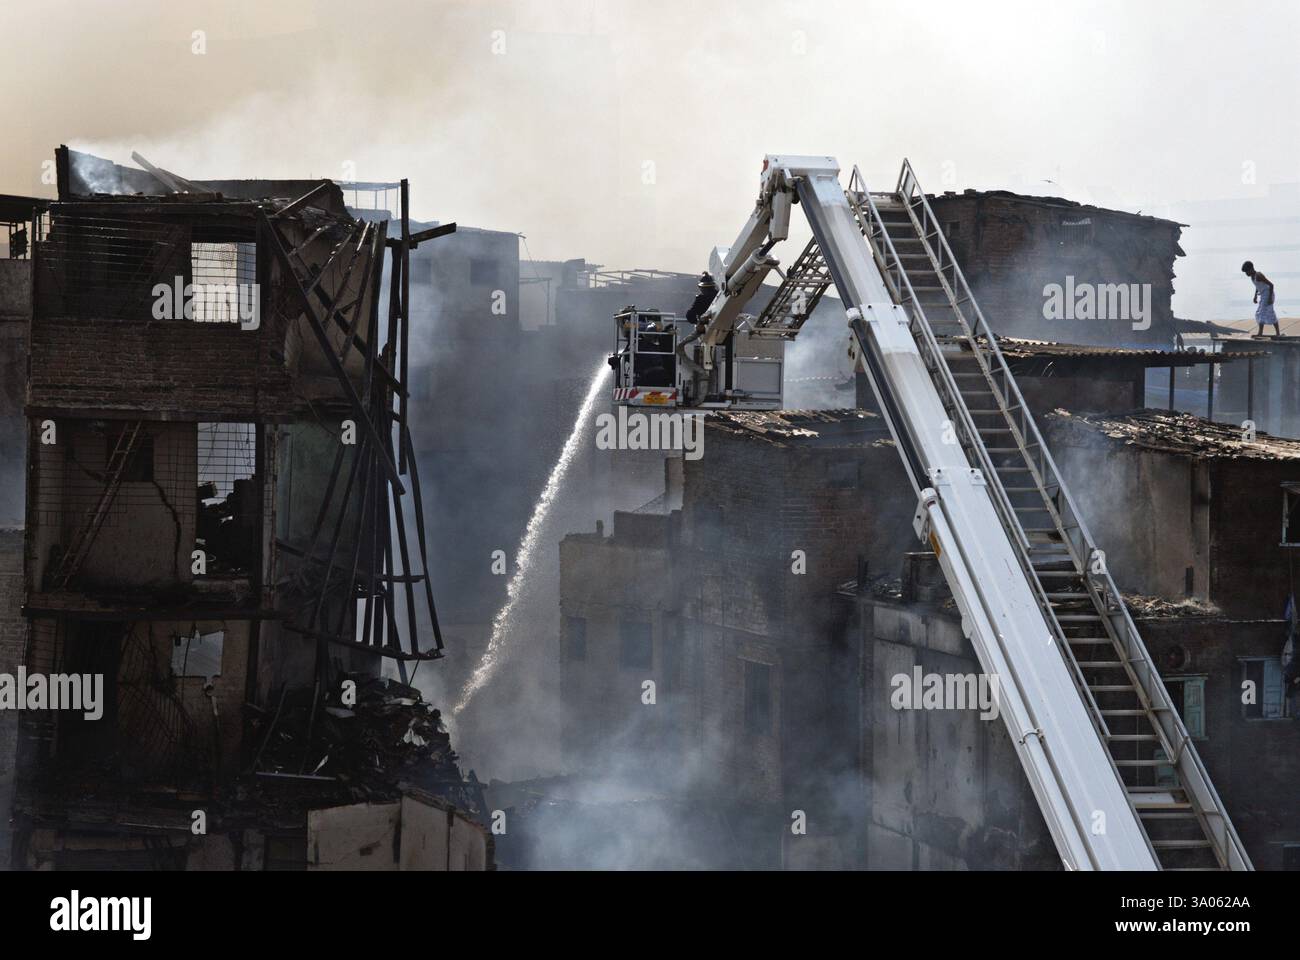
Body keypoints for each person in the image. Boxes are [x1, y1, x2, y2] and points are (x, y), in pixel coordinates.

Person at [1242, 260, 1279, 336]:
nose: (1246, 274)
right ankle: (1277, 333)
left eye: (1247, 272)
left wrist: (1269, 298)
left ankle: (1260, 333)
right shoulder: (1252, 277)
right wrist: (1255, 296)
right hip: (1263, 294)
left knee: (1261, 313)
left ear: (1251, 269)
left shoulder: (1258, 275)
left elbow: (1271, 285)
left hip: (1268, 293)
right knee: (1268, 313)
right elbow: (1257, 286)